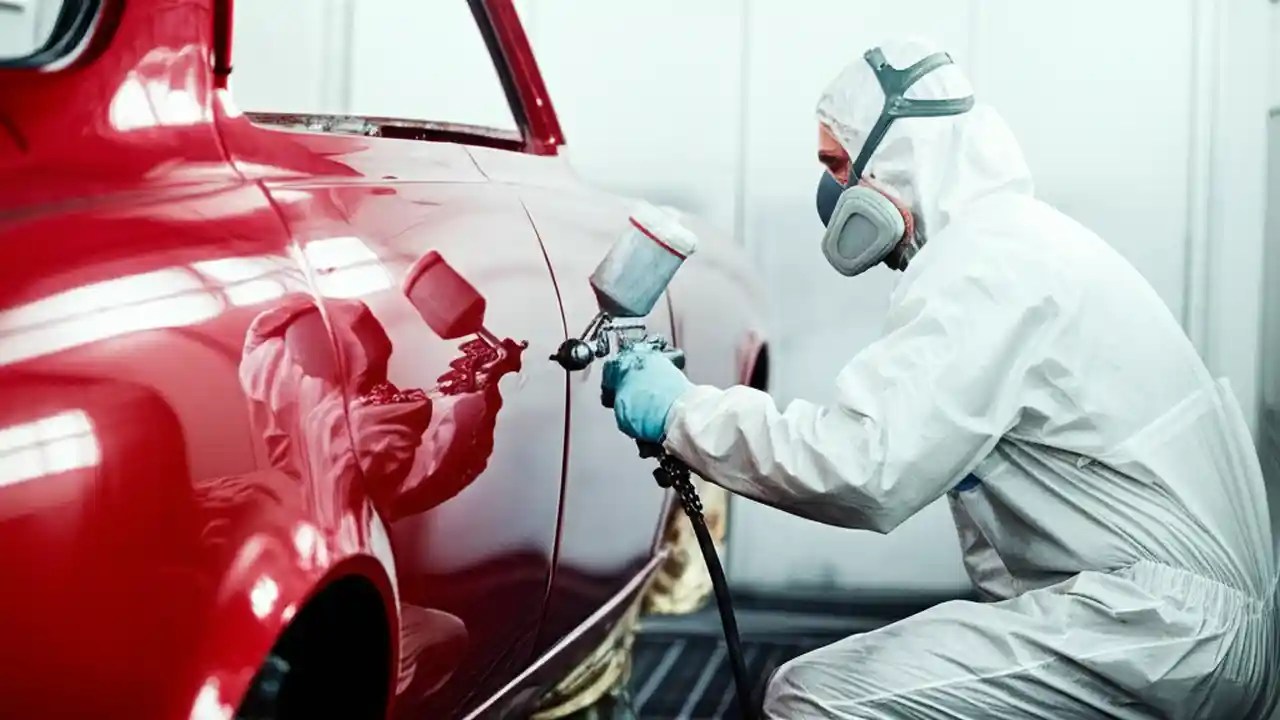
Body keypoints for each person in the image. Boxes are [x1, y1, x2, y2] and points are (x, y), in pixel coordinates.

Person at [603, 37, 1280, 719]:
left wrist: (683, 412)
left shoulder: (986, 268)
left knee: (814, 698)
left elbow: (863, 466)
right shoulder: (1011, 245)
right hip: (1179, 627)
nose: (830, 197)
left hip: (1161, 634)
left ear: (899, 160)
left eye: (838, 166)